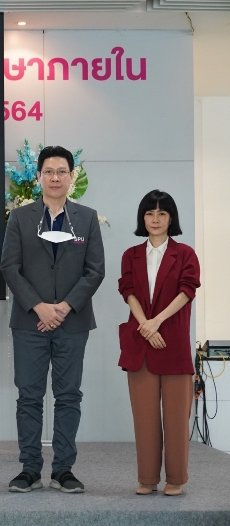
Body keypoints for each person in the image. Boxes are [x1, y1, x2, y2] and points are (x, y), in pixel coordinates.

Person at [0, 145, 105, 494]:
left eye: (62, 171)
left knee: (68, 396)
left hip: (72, 323)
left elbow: (95, 271)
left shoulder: (87, 218)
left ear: (71, 176)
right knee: (29, 397)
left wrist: (64, 307)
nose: (55, 177)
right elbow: (10, 268)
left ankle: (63, 469)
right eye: (49, 171)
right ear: (39, 176)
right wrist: (39, 307)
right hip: (30, 322)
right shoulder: (20, 217)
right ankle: (29, 468)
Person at [118, 190, 200, 497]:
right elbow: (127, 291)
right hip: (141, 345)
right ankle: (147, 478)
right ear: (143, 218)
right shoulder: (131, 254)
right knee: (145, 419)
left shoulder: (186, 254)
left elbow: (187, 290)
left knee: (177, 419)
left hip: (172, 343)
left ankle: (176, 479)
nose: (155, 219)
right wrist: (145, 325)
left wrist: (156, 322)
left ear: (171, 218)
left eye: (162, 214)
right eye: (150, 214)